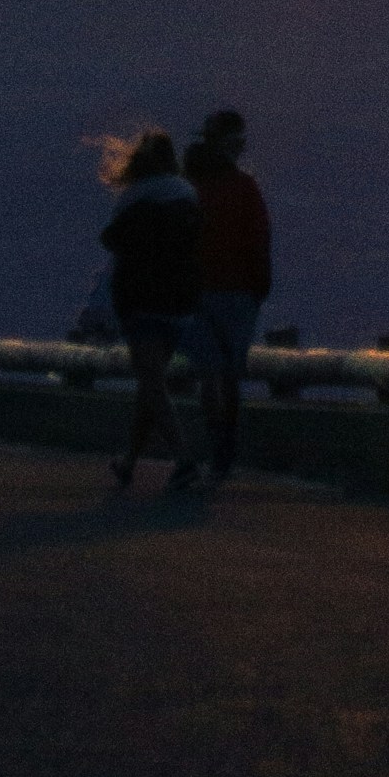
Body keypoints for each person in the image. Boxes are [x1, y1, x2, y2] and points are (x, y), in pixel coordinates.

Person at [94, 129, 204, 492]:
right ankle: (128, 461)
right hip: (180, 303)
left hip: (141, 302)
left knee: (152, 382)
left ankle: (184, 458)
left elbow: (112, 240)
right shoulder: (188, 198)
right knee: (151, 383)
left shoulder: (134, 199)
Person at [185, 106, 274, 483]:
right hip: (238, 293)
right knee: (231, 376)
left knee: (209, 373)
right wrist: (259, 289)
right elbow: (259, 241)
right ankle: (226, 448)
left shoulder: (188, 186)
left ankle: (213, 442)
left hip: (197, 292)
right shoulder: (244, 188)